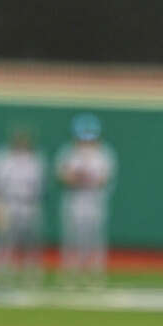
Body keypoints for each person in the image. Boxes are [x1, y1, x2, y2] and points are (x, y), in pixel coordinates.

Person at [55, 113, 117, 281]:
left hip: (94, 199)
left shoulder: (104, 154)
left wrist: (84, 177)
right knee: (72, 237)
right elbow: (63, 176)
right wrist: (79, 177)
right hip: (75, 198)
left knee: (95, 238)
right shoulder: (69, 152)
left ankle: (95, 273)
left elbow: (104, 179)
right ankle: (70, 272)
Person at [0, 127, 47, 282]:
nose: (22, 143)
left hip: (29, 204)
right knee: (5, 239)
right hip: (9, 203)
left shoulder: (35, 160)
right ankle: (2, 270)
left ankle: (32, 270)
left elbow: (40, 186)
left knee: (32, 241)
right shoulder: (4, 159)